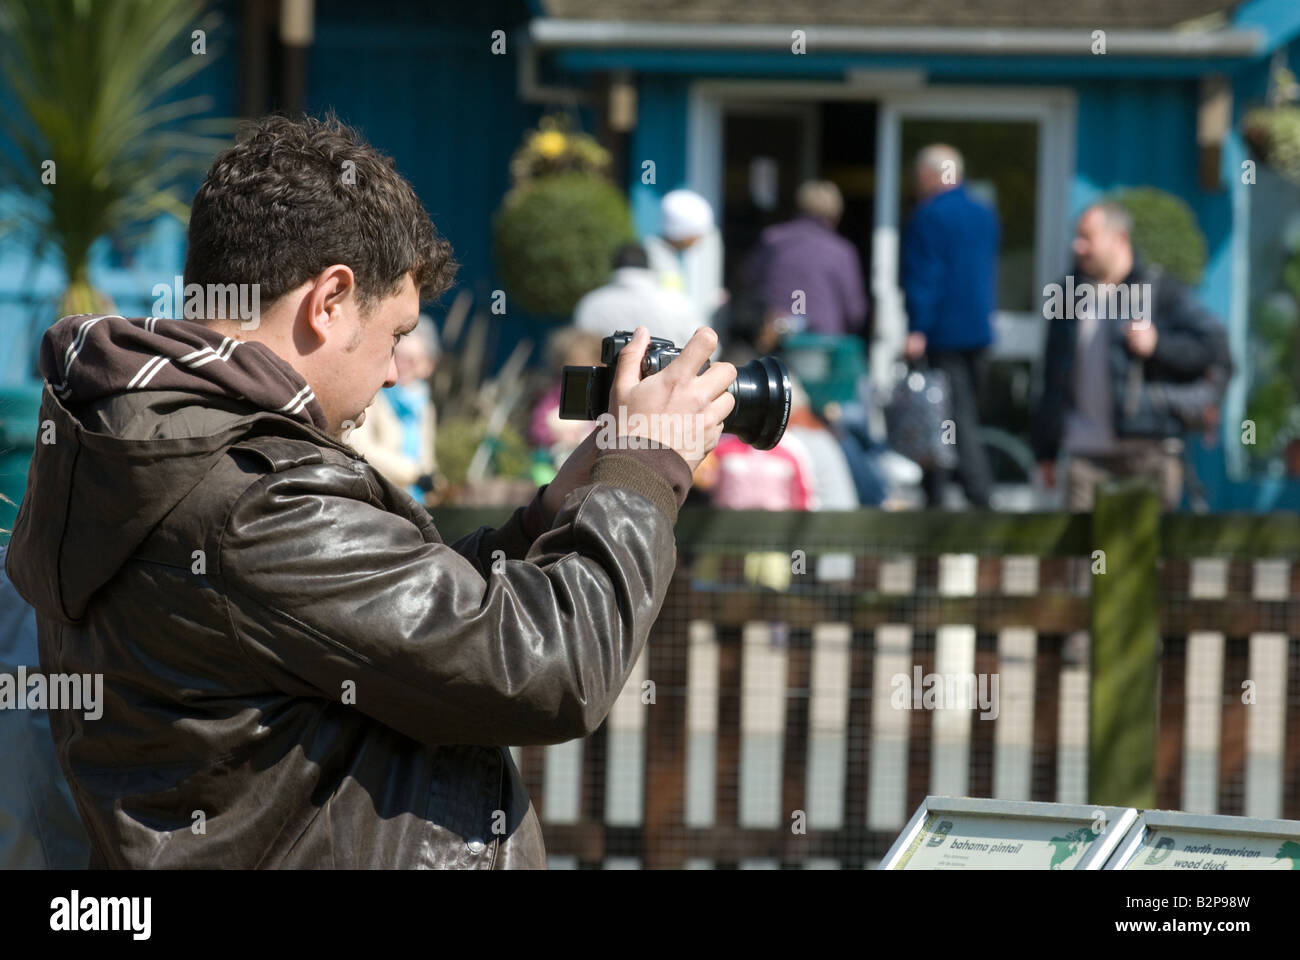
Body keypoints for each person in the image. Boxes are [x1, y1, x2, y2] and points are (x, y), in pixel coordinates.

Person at [3, 114, 738, 869]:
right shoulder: (254, 498)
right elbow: (550, 668)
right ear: (329, 301)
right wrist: (647, 468)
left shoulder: (155, 446)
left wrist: (553, 512)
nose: (394, 372)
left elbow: (390, 622)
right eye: (395, 335)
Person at [1031, 202, 1218, 510]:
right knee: (1089, 557)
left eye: (1087, 237)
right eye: (1077, 237)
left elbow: (1210, 348)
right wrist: (1045, 450)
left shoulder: (1159, 290)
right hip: (1085, 455)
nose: (1077, 246)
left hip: (1149, 452)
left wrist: (1158, 344)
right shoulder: (1067, 295)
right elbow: (1053, 375)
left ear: (1119, 239)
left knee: (1143, 556)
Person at [901, 144, 999, 509]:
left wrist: (917, 328)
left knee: (948, 423)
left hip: (943, 337)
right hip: (977, 335)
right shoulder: (984, 213)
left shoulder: (929, 216)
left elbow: (926, 277)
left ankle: (977, 503)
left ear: (929, 175)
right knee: (956, 419)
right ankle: (941, 499)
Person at [746, 180, 868, 338]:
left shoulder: (772, 239)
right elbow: (854, 311)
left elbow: (748, 279)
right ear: (835, 214)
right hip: (822, 342)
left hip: (775, 335)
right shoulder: (841, 251)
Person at [345, 312, 442, 504]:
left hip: (416, 502)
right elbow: (360, 448)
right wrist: (414, 474)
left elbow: (427, 459)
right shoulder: (373, 397)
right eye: (398, 358)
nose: (401, 368)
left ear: (427, 365)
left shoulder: (424, 406)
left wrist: (437, 482)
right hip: (378, 500)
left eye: (411, 361)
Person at [573, 243, 706, 347]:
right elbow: (706, 351)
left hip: (606, 382)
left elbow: (579, 354)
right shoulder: (679, 304)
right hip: (670, 380)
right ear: (649, 265)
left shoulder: (590, 304)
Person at [644, 188, 725, 325]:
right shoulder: (651, 256)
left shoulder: (669, 254)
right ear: (682, 233)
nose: (699, 239)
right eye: (696, 234)